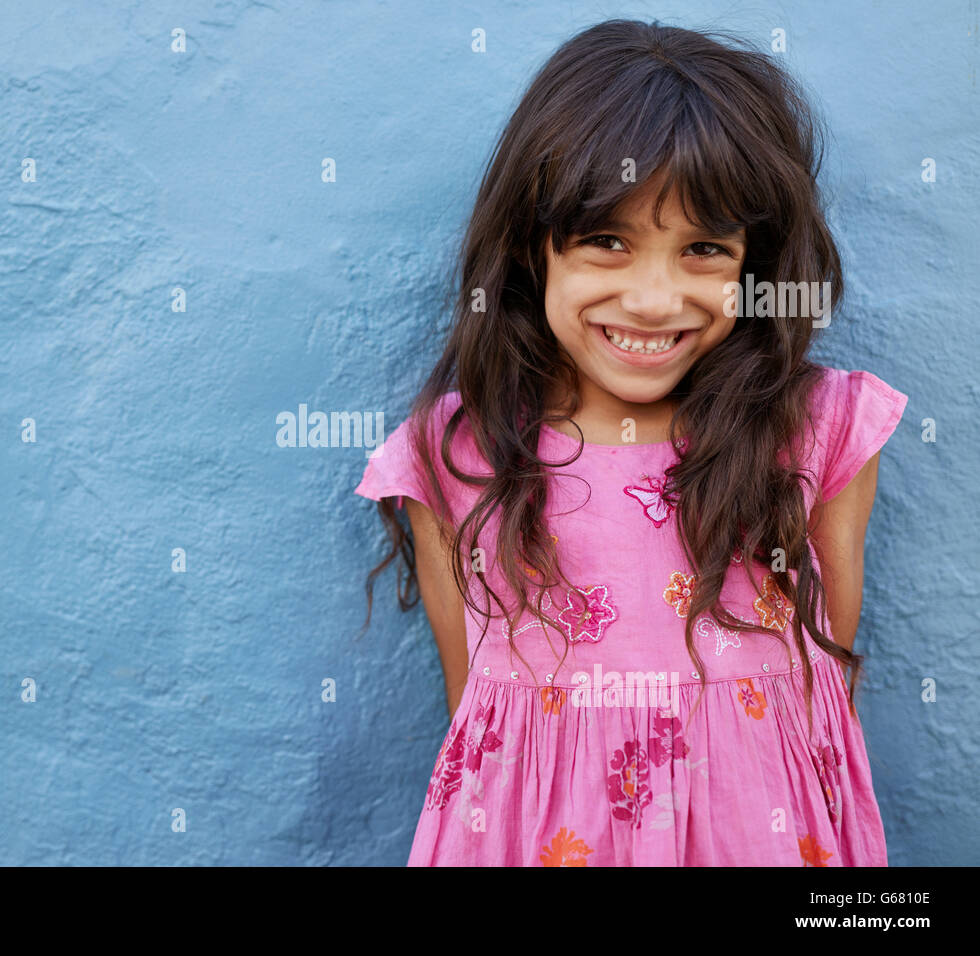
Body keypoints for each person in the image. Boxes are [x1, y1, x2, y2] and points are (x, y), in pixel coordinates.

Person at [354, 19, 909, 866]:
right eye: (607, 241)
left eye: (703, 250)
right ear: (532, 250)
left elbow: (827, 694)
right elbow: (475, 714)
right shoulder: (458, 454)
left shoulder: (814, 433)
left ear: (752, 271)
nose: (654, 299)